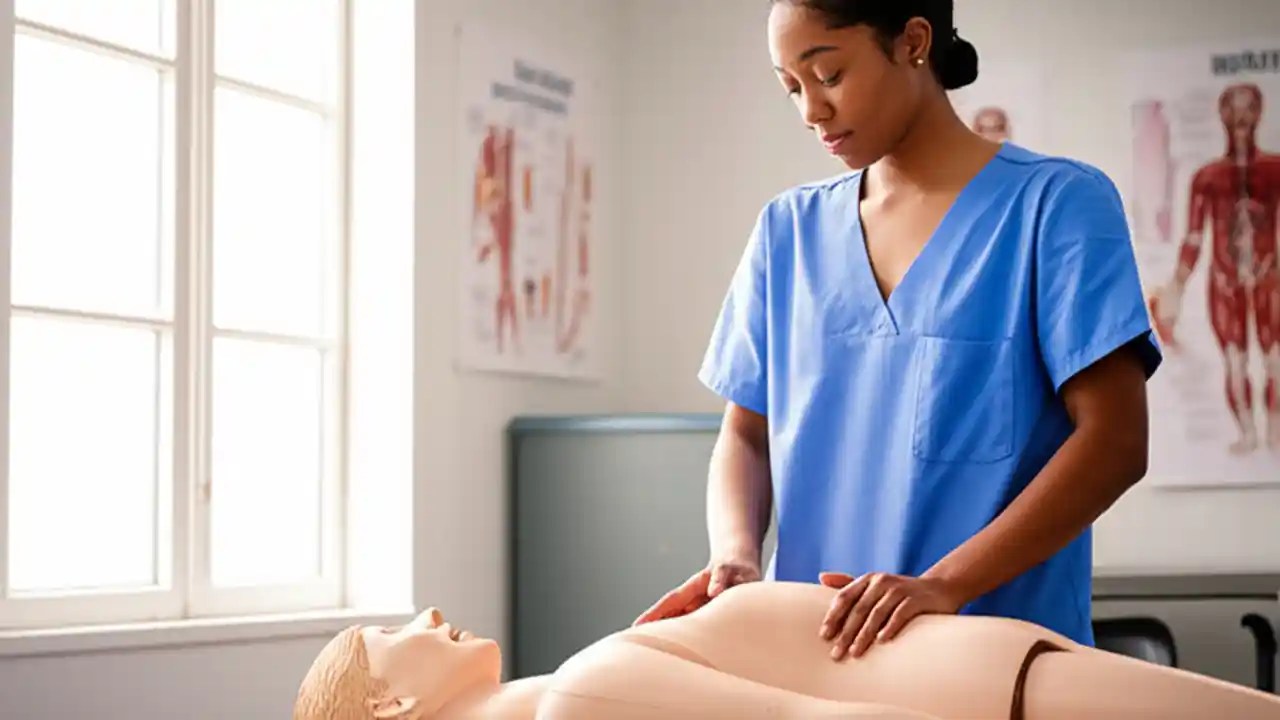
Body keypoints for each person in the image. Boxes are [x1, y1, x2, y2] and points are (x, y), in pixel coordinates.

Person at [634, 0, 1163, 664]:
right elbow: (746, 433)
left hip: (993, 666)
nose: (810, 111)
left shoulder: (1055, 206)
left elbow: (1115, 443)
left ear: (913, 41)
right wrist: (735, 558)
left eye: (827, 74)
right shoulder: (787, 232)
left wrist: (944, 586)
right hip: (808, 665)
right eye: (791, 87)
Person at [291, 581, 1280, 719]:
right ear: (388, 708)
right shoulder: (576, 700)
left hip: (988, 682)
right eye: (392, 639)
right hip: (988, 698)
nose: (425, 618)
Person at [1148, 82, 1280, 454]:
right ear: (1222, 115)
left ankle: (1273, 434)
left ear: (1260, 112)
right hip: (1225, 281)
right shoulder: (1208, 177)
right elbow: (1193, 237)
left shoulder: (1275, 170)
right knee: (1236, 362)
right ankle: (1249, 435)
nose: (1240, 118)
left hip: (1270, 277)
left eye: (1248, 108)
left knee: (1274, 361)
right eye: (1233, 109)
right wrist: (1175, 288)